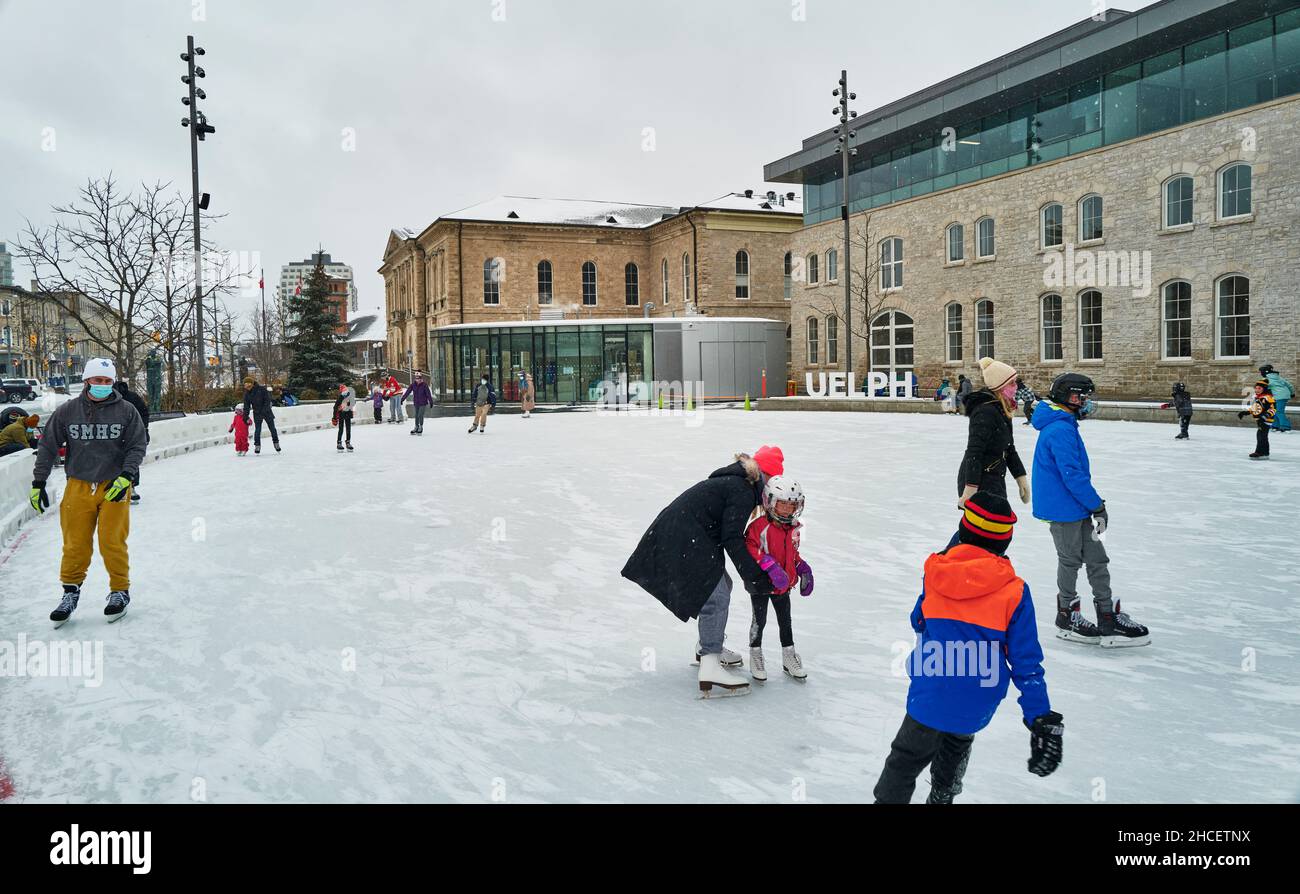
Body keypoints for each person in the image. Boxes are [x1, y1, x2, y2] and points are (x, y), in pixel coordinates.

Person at [873, 491, 1062, 804]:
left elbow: (918, 620)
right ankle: (943, 795)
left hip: (933, 687)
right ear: (1005, 542)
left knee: (905, 758)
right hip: (979, 695)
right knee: (957, 739)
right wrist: (1039, 716)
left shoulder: (935, 572)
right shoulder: (1015, 592)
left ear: (963, 532)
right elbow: (1026, 662)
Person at [622, 446, 784, 698]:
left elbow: (728, 535)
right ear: (766, 477)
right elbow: (732, 539)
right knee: (716, 594)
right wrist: (753, 575)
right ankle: (709, 665)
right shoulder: (742, 490)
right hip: (682, 536)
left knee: (722, 586)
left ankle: (708, 645)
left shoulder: (738, 483)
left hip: (682, 534)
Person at [1032, 372, 1150, 647]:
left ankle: (1107, 616)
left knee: (1097, 558)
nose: (1085, 402)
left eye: (1086, 397)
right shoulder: (1059, 429)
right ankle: (1066, 616)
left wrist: (1091, 506)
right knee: (1070, 560)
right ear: (1066, 397)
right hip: (1064, 509)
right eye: (1080, 396)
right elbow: (1072, 475)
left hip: (1077, 507)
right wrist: (1096, 504)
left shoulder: (1065, 424)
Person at [31, 358, 148, 626]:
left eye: (107, 381)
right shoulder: (68, 411)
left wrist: (127, 476)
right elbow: (48, 445)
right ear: (86, 381)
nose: (102, 385)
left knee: (112, 541)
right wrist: (38, 482)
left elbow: (137, 445)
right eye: (97, 380)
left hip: (113, 486)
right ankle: (70, 593)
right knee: (75, 543)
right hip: (78, 485)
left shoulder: (127, 411)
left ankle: (120, 591)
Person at [744, 475, 813, 683]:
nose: (787, 510)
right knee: (760, 620)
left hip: (784, 587)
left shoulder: (794, 529)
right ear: (770, 502)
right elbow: (749, 547)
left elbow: (792, 553)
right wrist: (769, 566)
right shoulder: (758, 526)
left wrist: (801, 567)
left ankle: (789, 656)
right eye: (782, 505)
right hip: (762, 585)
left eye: (792, 506)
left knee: (786, 622)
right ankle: (756, 654)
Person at [957, 358, 1029, 511]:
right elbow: (974, 452)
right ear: (1000, 386)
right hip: (980, 480)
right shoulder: (985, 411)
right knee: (982, 531)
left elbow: (1009, 448)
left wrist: (1020, 478)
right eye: (1012, 383)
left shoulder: (1001, 409)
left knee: (994, 530)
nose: (1016, 387)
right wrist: (970, 489)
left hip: (994, 477)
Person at [114, 380, 150, 503]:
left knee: (132, 459)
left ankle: (132, 486)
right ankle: (117, 486)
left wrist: (143, 429)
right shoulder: (110, 399)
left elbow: (144, 413)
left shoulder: (132, 398)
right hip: (115, 436)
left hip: (132, 434)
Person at [1238, 378, 1276, 460]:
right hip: (1259, 420)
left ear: (1264, 389)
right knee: (1262, 436)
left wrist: (1265, 416)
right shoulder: (1258, 397)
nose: (1257, 390)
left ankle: (1259, 452)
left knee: (1261, 436)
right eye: (1256, 388)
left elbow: (1273, 409)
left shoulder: (1267, 398)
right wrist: (1245, 412)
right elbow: (1256, 408)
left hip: (1266, 420)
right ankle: (1264, 452)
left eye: (1260, 388)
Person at [242, 376, 281, 454]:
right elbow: (246, 407)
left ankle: (276, 443)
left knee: (272, 429)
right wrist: (245, 416)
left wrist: (264, 410)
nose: (247, 386)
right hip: (257, 413)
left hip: (267, 412)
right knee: (257, 430)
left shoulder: (262, 389)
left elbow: (267, 400)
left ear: (252, 384)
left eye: (248, 384)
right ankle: (257, 446)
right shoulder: (247, 394)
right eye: (245, 385)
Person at [1259, 364, 1294, 432]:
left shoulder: (1267, 379)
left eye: (1261, 372)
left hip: (1279, 396)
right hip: (1282, 396)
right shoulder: (1278, 377)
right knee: (1276, 411)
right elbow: (1290, 385)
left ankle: (1286, 426)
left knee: (1279, 411)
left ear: (1264, 372)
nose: (1260, 373)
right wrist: (1292, 393)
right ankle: (1275, 425)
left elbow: (1263, 389)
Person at [403, 371, 433, 435]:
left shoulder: (424, 385)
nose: (417, 380)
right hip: (416, 402)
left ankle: (421, 426)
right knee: (416, 415)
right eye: (416, 378)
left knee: (420, 415)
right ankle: (416, 427)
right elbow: (407, 392)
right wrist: (402, 399)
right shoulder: (413, 385)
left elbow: (428, 394)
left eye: (419, 378)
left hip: (423, 402)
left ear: (421, 378)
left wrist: (431, 401)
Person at [333, 382, 356, 452]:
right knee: (341, 429)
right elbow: (335, 407)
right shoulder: (340, 397)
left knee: (348, 429)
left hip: (348, 414)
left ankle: (348, 442)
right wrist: (334, 417)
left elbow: (353, 403)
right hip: (341, 415)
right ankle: (339, 443)